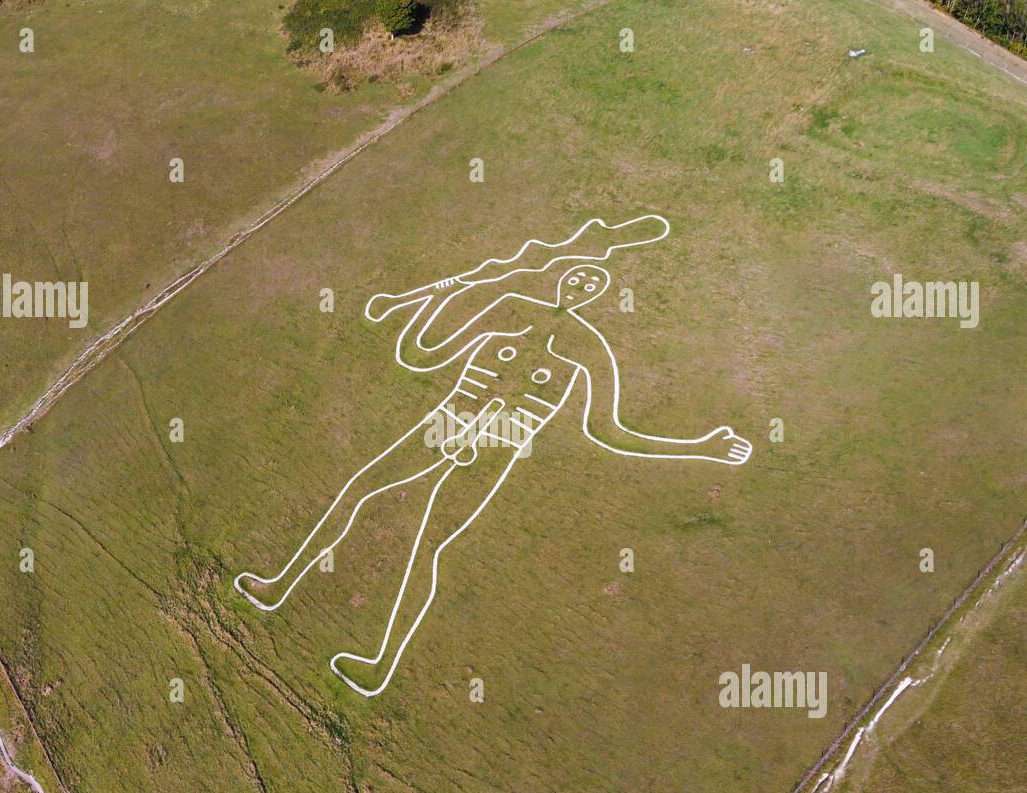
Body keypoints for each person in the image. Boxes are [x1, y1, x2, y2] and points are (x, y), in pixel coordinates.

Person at [235, 217, 751, 697]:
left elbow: (608, 430)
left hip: (497, 448)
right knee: (359, 491)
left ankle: (378, 660)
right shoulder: (510, 308)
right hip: (443, 427)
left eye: (591, 286)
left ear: (599, 298)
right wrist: (436, 301)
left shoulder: (587, 349)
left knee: (429, 545)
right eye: (576, 278)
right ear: (559, 279)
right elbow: (422, 355)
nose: (580, 288)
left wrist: (699, 447)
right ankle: (278, 585)